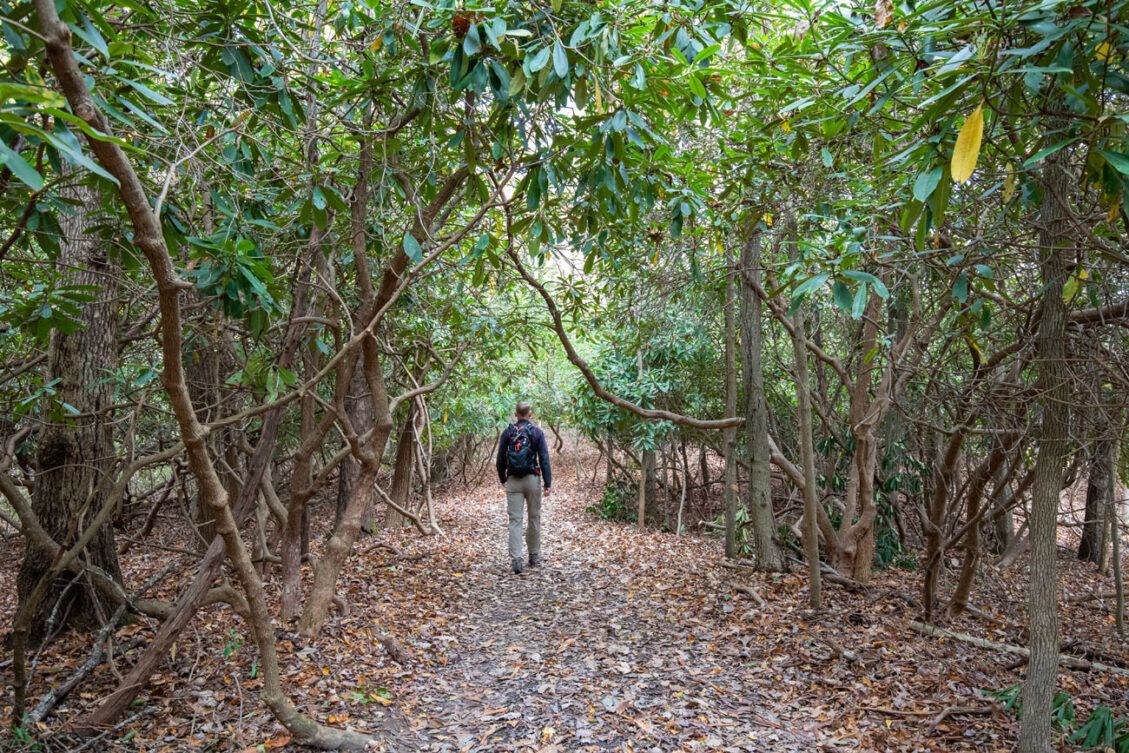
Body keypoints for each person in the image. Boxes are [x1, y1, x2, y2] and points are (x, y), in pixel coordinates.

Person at [496, 401, 552, 574]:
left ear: (516, 414)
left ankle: (517, 559)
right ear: (530, 414)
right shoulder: (537, 432)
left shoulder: (508, 432)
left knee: (515, 520)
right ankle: (534, 555)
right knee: (534, 517)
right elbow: (543, 458)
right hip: (532, 480)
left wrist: (503, 478)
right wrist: (547, 483)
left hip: (513, 480)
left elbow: (500, 460)